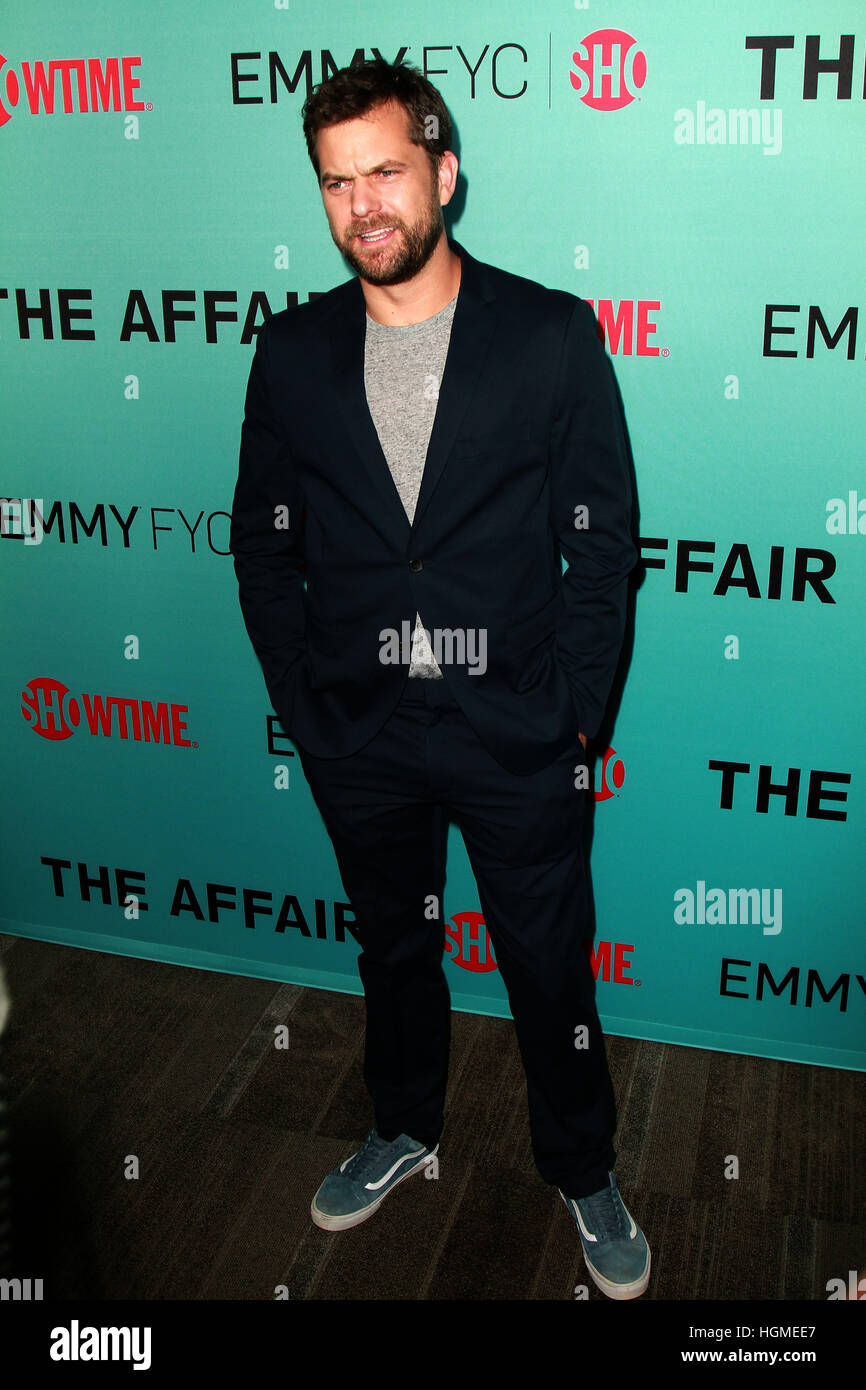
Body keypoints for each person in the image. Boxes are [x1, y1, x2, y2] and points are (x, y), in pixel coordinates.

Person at [229, 56, 649, 1301]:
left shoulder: (548, 333)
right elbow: (261, 541)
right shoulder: (292, 349)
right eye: (335, 183)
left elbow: (601, 541)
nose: (362, 205)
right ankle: (404, 1124)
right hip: (360, 731)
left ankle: (581, 1164)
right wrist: (303, 702)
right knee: (392, 949)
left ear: (443, 174)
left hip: (516, 724)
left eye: (385, 175)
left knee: (545, 959)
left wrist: (575, 712)